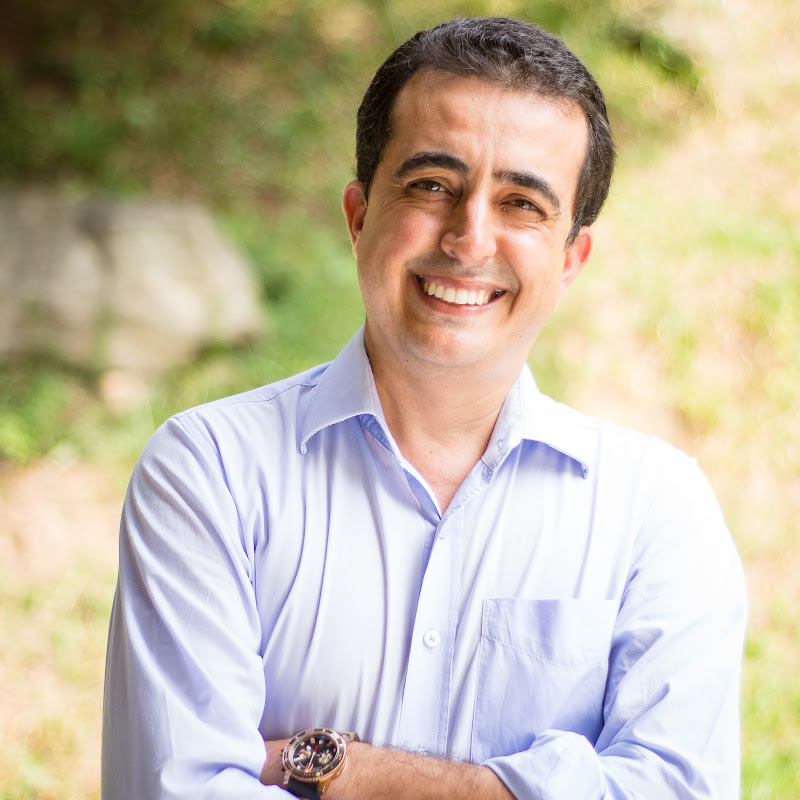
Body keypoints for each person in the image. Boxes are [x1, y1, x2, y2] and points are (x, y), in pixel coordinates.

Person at [102, 16, 747, 800]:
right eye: (432, 185)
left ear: (571, 258)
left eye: (522, 203)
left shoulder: (657, 510)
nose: (469, 240)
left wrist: (349, 770)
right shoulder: (210, 472)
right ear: (358, 215)